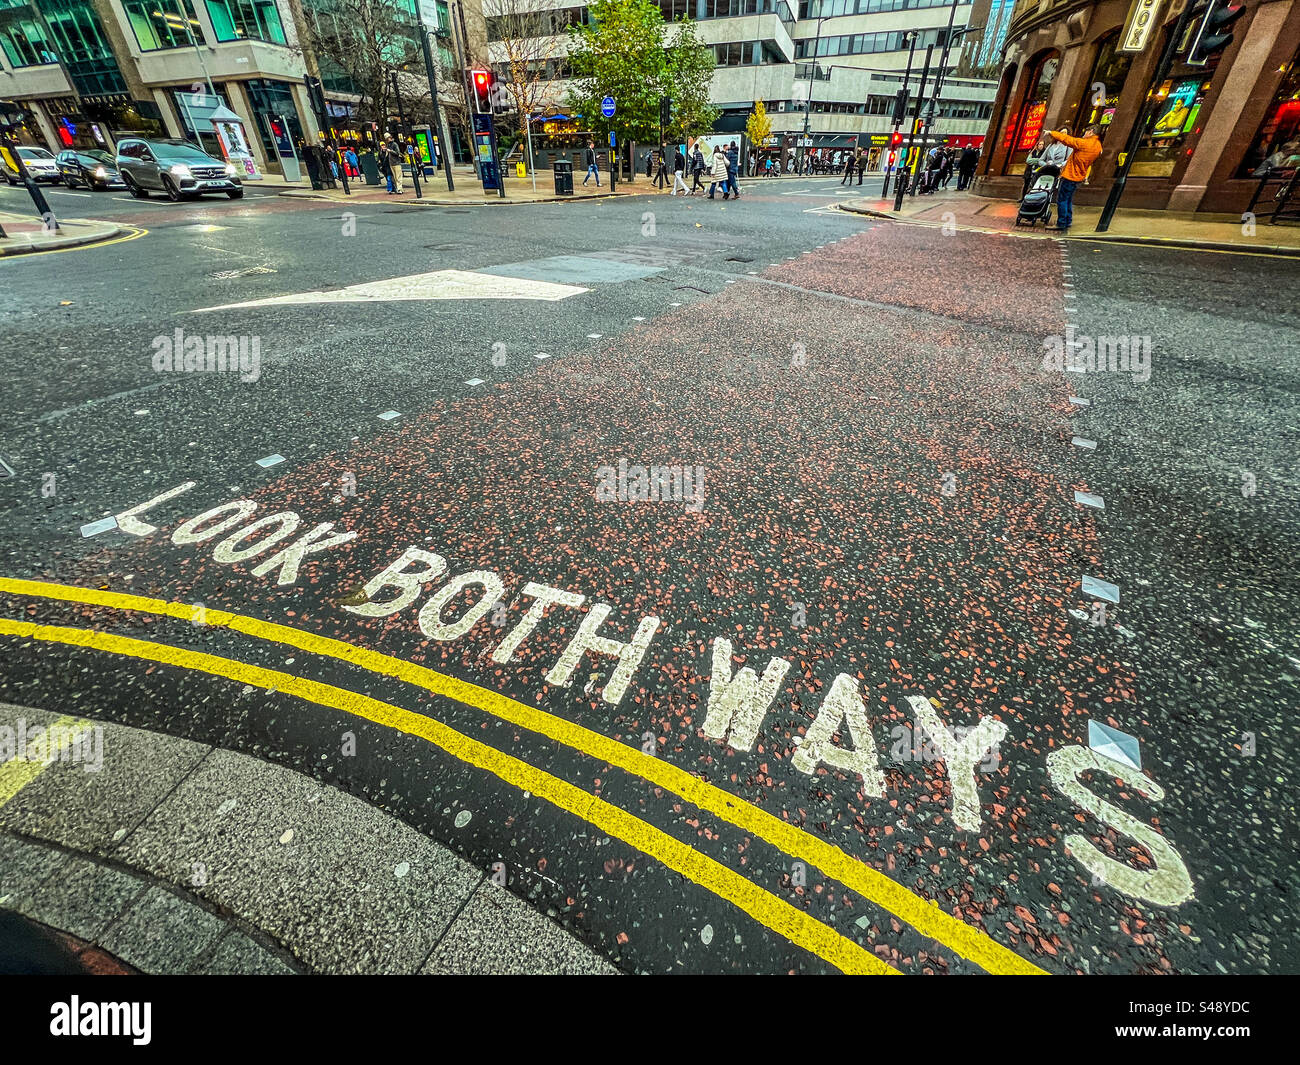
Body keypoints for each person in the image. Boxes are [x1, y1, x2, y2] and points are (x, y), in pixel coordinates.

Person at [1047, 124, 1102, 232]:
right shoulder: (1098, 145)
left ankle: (1061, 223)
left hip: (1070, 175)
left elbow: (1068, 139)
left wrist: (1051, 133)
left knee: (1062, 200)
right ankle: (1068, 220)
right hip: (1079, 176)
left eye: (1086, 132)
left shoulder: (1084, 143)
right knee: (1068, 199)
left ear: (1091, 132)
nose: (1084, 134)